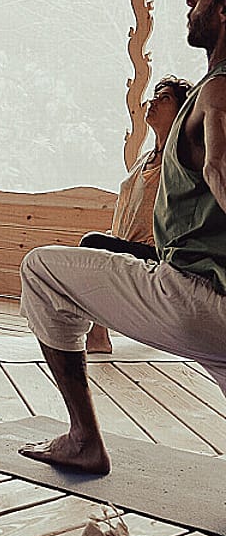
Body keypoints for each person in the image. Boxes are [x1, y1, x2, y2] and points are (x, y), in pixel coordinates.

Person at [18, 0, 226, 474]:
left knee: (43, 270)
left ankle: (84, 439)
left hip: (197, 297)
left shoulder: (221, 88)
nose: (190, 1)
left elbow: (223, 171)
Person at [79, 75, 192, 353]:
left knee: (92, 244)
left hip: (154, 254)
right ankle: (89, 332)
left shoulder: (180, 159)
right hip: (128, 243)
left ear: (180, 112)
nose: (152, 101)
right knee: (95, 246)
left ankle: (98, 335)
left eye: (164, 98)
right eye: (154, 96)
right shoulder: (147, 157)